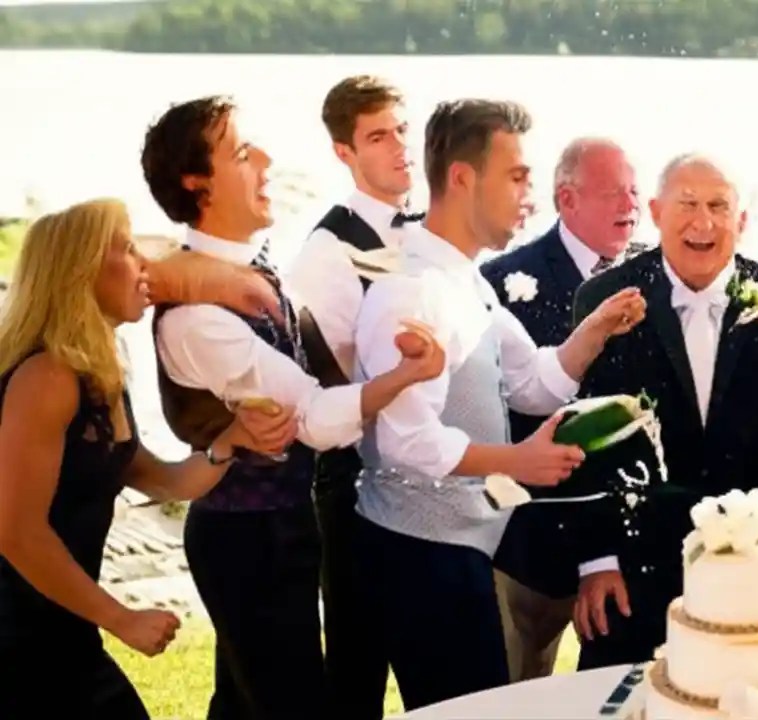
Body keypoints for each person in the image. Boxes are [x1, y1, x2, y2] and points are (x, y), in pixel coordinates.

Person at [141, 95, 443, 720]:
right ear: (195, 183)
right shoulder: (199, 317)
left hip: (279, 528)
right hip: (248, 542)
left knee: (242, 706)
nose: (268, 161)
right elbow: (311, 417)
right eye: (242, 153)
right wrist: (407, 376)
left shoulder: (243, 274)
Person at [351, 99, 646, 709]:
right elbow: (406, 442)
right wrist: (516, 460)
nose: (529, 197)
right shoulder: (412, 291)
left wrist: (593, 329)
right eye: (517, 178)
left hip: (459, 553)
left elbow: (533, 378)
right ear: (462, 178)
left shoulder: (467, 282)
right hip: (416, 556)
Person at [0, 199, 295, 719]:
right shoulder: (45, 377)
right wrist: (121, 618)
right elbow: (16, 531)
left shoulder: (98, 378)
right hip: (17, 641)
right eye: (128, 247)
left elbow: (164, 481)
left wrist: (230, 441)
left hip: (60, 633)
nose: (145, 264)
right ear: (81, 269)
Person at [571, 152, 758, 669]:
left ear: (743, 220)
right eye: (687, 204)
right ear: (657, 211)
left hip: (749, 561)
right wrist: (596, 560)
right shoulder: (604, 298)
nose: (703, 222)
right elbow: (585, 439)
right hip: (634, 560)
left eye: (718, 206)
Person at [479, 136, 645, 682]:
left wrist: (606, 552)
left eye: (634, 192)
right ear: (566, 200)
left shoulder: (652, 276)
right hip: (526, 548)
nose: (630, 206)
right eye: (612, 193)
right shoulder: (502, 282)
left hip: (626, 555)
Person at [288, 74, 415, 719]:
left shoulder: (425, 234)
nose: (399, 148)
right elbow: (326, 384)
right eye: (377, 136)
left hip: (429, 477)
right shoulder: (327, 251)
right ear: (345, 152)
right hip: (355, 487)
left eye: (401, 130)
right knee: (356, 672)